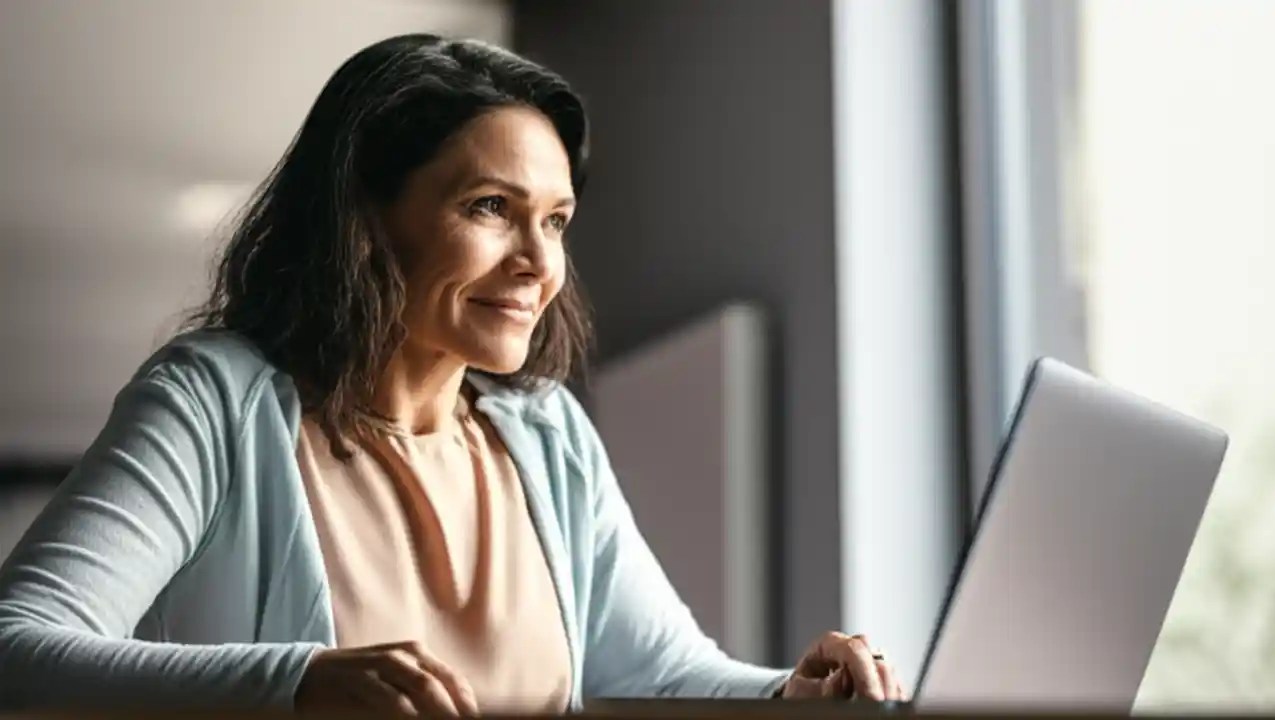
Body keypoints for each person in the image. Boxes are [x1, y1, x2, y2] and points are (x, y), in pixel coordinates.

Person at [0, 34, 905, 716]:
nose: (536, 263)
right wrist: (299, 684)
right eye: (490, 209)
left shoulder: (547, 435)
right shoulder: (212, 402)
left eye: (555, 221)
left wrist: (792, 696)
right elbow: (19, 650)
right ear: (367, 219)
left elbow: (660, 671)